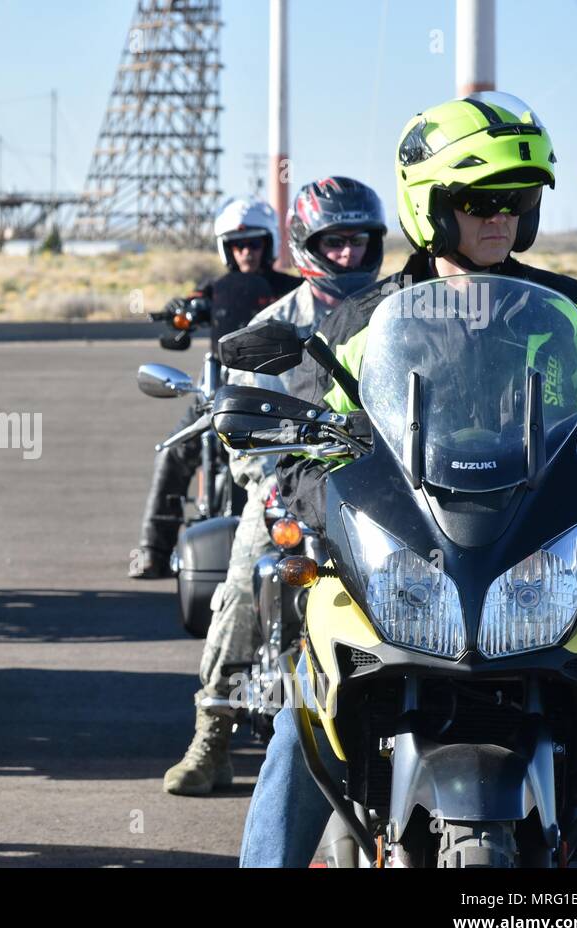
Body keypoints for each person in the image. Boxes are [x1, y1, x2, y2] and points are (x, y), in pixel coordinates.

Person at [240, 91, 577, 867]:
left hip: (533, 556)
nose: (501, 216)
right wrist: (326, 493)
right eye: (478, 200)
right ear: (431, 207)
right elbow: (303, 436)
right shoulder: (362, 323)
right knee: (303, 714)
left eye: (517, 201)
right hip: (410, 560)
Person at [163, 177, 387, 796]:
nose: (348, 254)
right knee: (242, 586)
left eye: (360, 241)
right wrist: (270, 485)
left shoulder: (407, 310)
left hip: (388, 490)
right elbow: (244, 434)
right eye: (333, 241)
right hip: (295, 485)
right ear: (308, 245)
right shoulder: (274, 327)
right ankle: (212, 734)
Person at [131, 197, 302, 579]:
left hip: (279, 398)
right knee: (171, 453)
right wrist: (180, 315)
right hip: (220, 397)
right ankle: (152, 550)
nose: (246, 252)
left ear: (268, 245)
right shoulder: (214, 290)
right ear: (226, 248)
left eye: (254, 244)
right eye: (238, 245)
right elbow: (184, 314)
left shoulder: (292, 291)